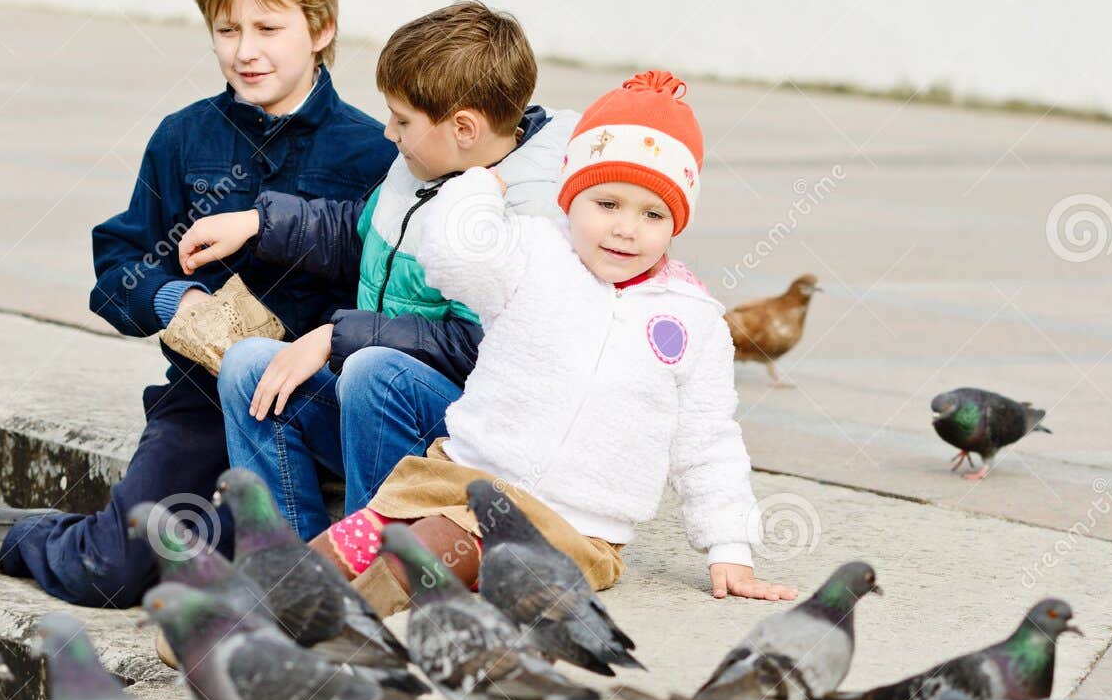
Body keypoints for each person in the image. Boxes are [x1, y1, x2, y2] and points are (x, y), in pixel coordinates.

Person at [0, 0, 393, 607]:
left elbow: (390, 277)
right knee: (112, 572)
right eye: (227, 30)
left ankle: (222, 534)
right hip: (202, 395)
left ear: (321, 30)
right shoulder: (183, 137)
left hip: (315, 398)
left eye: (269, 28)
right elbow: (119, 264)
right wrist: (175, 300)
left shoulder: (373, 150)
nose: (245, 50)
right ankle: (31, 535)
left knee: (264, 561)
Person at [306, 70, 800, 611]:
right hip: (460, 479)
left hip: (571, 527)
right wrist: (474, 189)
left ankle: (335, 623)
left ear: (675, 224)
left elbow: (708, 439)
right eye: (607, 204)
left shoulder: (693, 319)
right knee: (357, 536)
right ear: (570, 198)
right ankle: (268, 603)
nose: (626, 228)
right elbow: (452, 257)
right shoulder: (535, 255)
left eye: (652, 213)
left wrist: (729, 546)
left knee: (431, 545)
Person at [178, 0, 575, 538]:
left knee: (371, 372)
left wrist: (335, 336)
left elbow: (478, 345)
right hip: (374, 414)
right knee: (249, 364)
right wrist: (257, 222)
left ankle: (372, 563)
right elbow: (358, 233)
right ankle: (289, 564)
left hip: (464, 444)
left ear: (463, 127)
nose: (388, 132)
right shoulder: (428, 161)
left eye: (402, 120)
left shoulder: (527, 214)